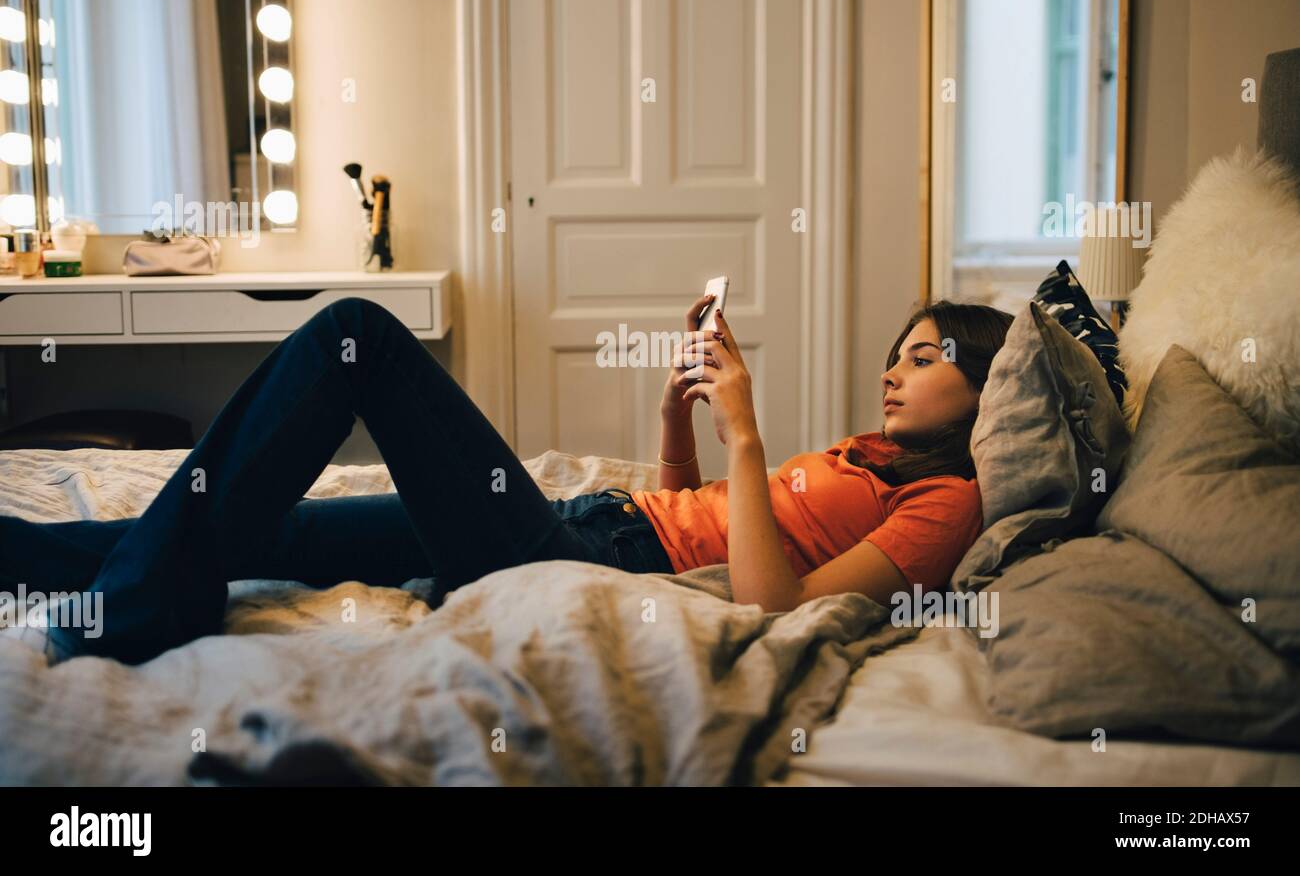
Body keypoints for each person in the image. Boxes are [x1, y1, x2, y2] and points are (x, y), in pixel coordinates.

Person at [1, 294, 1012, 666]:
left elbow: (772, 604)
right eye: (899, 351)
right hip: (601, 519)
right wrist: (680, 419)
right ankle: (29, 559)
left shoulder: (946, 503)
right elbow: (686, 512)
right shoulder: (865, 457)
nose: (894, 368)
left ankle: (130, 611)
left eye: (926, 358)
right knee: (282, 530)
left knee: (356, 336)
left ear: (988, 381)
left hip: (576, 555)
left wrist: (747, 435)